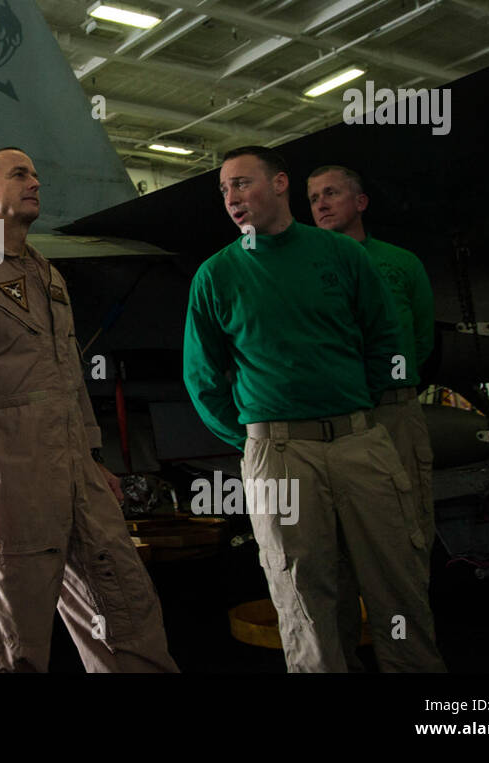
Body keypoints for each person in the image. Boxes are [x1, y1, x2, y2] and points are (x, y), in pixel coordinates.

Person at [0, 147, 178, 673]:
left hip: (77, 472)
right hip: (10, 474)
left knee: (128, 612)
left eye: (35, 173)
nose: (35, 181)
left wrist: (94, 459)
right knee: (19, 641)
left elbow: (68, 378)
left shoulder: (49, 277)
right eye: (19, 174)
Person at [183, 146, 444, 673]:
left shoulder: (343, 257)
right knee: (305, 596)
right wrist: (259, 438)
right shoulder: (216, 276)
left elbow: (386, 344)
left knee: (399, 585)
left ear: (280, 184)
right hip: (279, 454)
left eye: (242, 184)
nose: (232, 198)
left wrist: (356, 414)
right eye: (224, 190)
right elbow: (203, 378)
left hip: (359, 443)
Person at [307, 164, 437, 669]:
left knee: (403, 546)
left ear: (360, 203)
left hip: (391, 413)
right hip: (334, 420)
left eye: (332, 193)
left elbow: (420, 342)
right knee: (330, 555)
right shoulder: (306, 267)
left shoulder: (399, 264)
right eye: (313, 196)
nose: (320, 204)